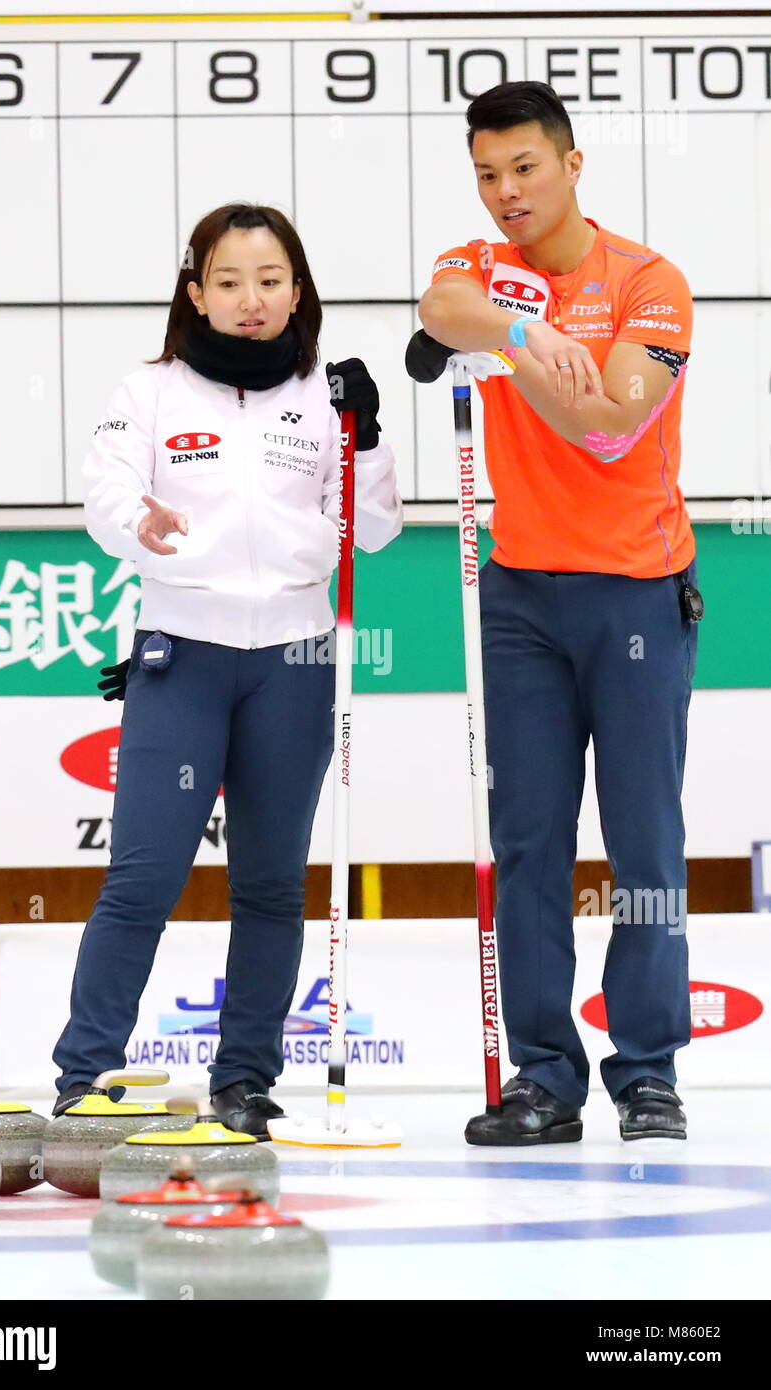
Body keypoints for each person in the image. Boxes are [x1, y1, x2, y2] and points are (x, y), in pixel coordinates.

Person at [52, 202, 402, 1136]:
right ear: (197, 292)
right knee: (144, 876)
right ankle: (84, 1075)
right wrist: (141, 524)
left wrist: (364, 440)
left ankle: (244, 1078)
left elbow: (371, 528)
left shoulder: (328, 396)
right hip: (184, 657)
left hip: (292, 661)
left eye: (271, 281)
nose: (252, 300)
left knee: (270, 886)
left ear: (298, 290)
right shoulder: (150, 390)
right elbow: (106, 493)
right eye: (231, 282)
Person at [415, 81, 700, 1145]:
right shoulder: (480, 271)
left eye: (523, 168)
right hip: (520, 596)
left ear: (570, 164)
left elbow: (613, 430)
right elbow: (439, 309)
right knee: (527, 842)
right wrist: (524, 330)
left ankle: (646, 1072)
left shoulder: (647, 279)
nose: (504, 193)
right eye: (486, 175)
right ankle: (543, 1077)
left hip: (633, 591)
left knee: (643, 847)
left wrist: (508, 348)